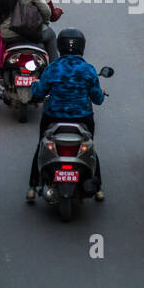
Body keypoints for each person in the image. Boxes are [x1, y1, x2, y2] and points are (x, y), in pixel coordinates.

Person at [27, 28, 105, 202]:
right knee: (90, 146)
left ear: (59, 47)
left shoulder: (53, 68)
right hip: (82, 118)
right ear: (82, 48)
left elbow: (39, 93)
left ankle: (32, 187)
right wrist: (100, 91)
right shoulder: (88, 70)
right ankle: (98, 188)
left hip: (53, 117)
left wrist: (34, 83)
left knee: (41, 145)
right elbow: (98, 99)